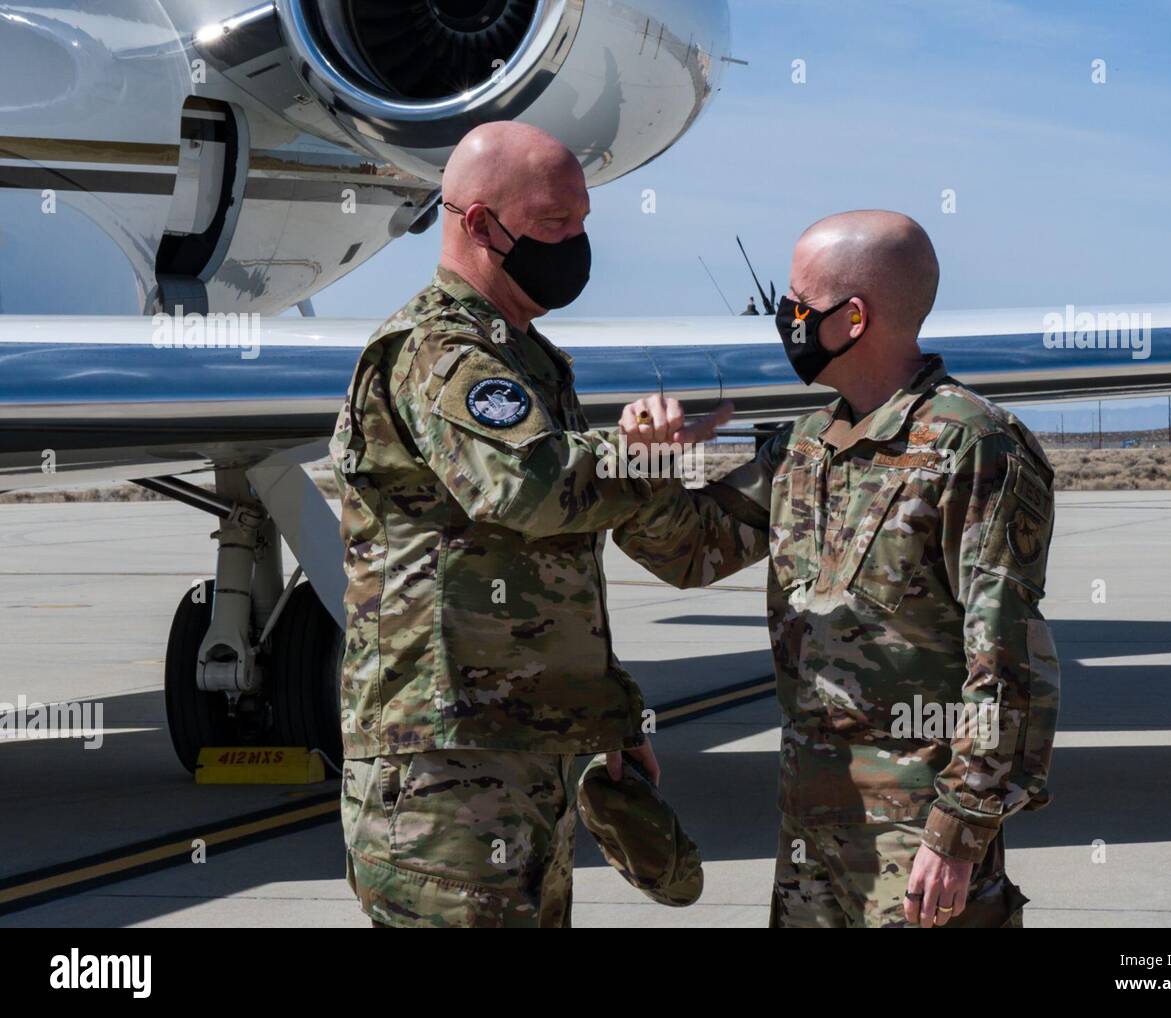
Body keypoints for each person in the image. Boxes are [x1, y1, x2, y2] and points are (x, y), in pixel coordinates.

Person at [328, 121, 726, 928]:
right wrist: (640, 455)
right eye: (554, 226)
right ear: (479, 223)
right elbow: (527, 489)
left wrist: (603, 717)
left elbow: (547, 570)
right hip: (448, 774)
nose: (576, 243)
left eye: (582, 222)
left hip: (518, 755)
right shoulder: (439, 352)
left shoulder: (524, 357)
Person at [614, 210, 1060, 928]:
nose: (783, 316)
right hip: (810, 831)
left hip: (916, 839)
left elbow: (1009, 659)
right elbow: (690, 552)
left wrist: (960, 831)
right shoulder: (805, 445)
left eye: (798, 301)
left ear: (853, 317)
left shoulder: (974, 445)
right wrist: (647, 466)